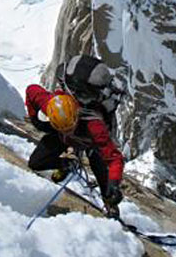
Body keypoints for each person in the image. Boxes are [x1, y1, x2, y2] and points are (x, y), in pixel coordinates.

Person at [25, 65, 125, 217]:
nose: (68, 131)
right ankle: (68, 164)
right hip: (62, 136)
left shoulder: (95, 127)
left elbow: (115, 158)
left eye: (69, 127)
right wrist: (36, 121)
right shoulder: (51, 105)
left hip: (88, 139)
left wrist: (114, 184)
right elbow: (31, 90)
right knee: (36, 163)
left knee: (98, 164)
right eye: (63, 128)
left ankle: (110, 203)